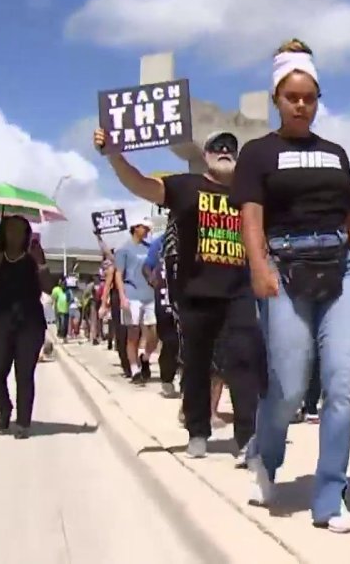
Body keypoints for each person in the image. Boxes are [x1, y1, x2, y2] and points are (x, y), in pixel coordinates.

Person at [232, 39, 350, 533]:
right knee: (290, 387)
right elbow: (251, 214)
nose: (301, 104)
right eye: (291, 96)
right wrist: (258, 266)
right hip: (284, 267)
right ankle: (265, 459)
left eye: (309, 97)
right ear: (276, 97)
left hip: (342, 267)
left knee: (341, 384)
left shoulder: (335, 154)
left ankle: (330, 498)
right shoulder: (257, 153)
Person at [95, 126, 266, 461]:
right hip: (196, 293)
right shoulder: (186, 186)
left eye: (232, 146)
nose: (225, 150)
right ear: (205, 155)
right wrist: (115, 155)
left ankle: (247, 437)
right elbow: (141, 184)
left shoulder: (250, 196)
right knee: (197, 364)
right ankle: (198, 431)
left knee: (244, 361)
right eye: (218, 146)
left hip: (239, 293)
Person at [0, 216, 52, 438]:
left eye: (21, 230)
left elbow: (48, 288)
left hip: (29, 322)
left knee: (24, 374)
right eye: (11, 229)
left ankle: (23, 423)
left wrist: (41, 264)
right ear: (3, 232)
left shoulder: (33, 258)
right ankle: (5, 406)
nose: (15, 235)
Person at [115, 217, 156, 383]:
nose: (146, 231)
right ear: (135, 227)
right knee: (133, 333)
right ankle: (134, 369)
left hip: (150, 295)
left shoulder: (150, 248)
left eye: (147, 228)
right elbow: (118, 273)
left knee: (154, 332)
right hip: (132, 294)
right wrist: (122, 296)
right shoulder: (123, 249)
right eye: (144, 228)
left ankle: (145, 357)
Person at [143, 221, 181, 399]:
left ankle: (187, 383)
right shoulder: (159, 243)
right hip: (165, 296)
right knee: (170, 340)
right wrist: (152, 279)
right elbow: (146, 266)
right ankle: (167, 379)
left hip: (187, 295)